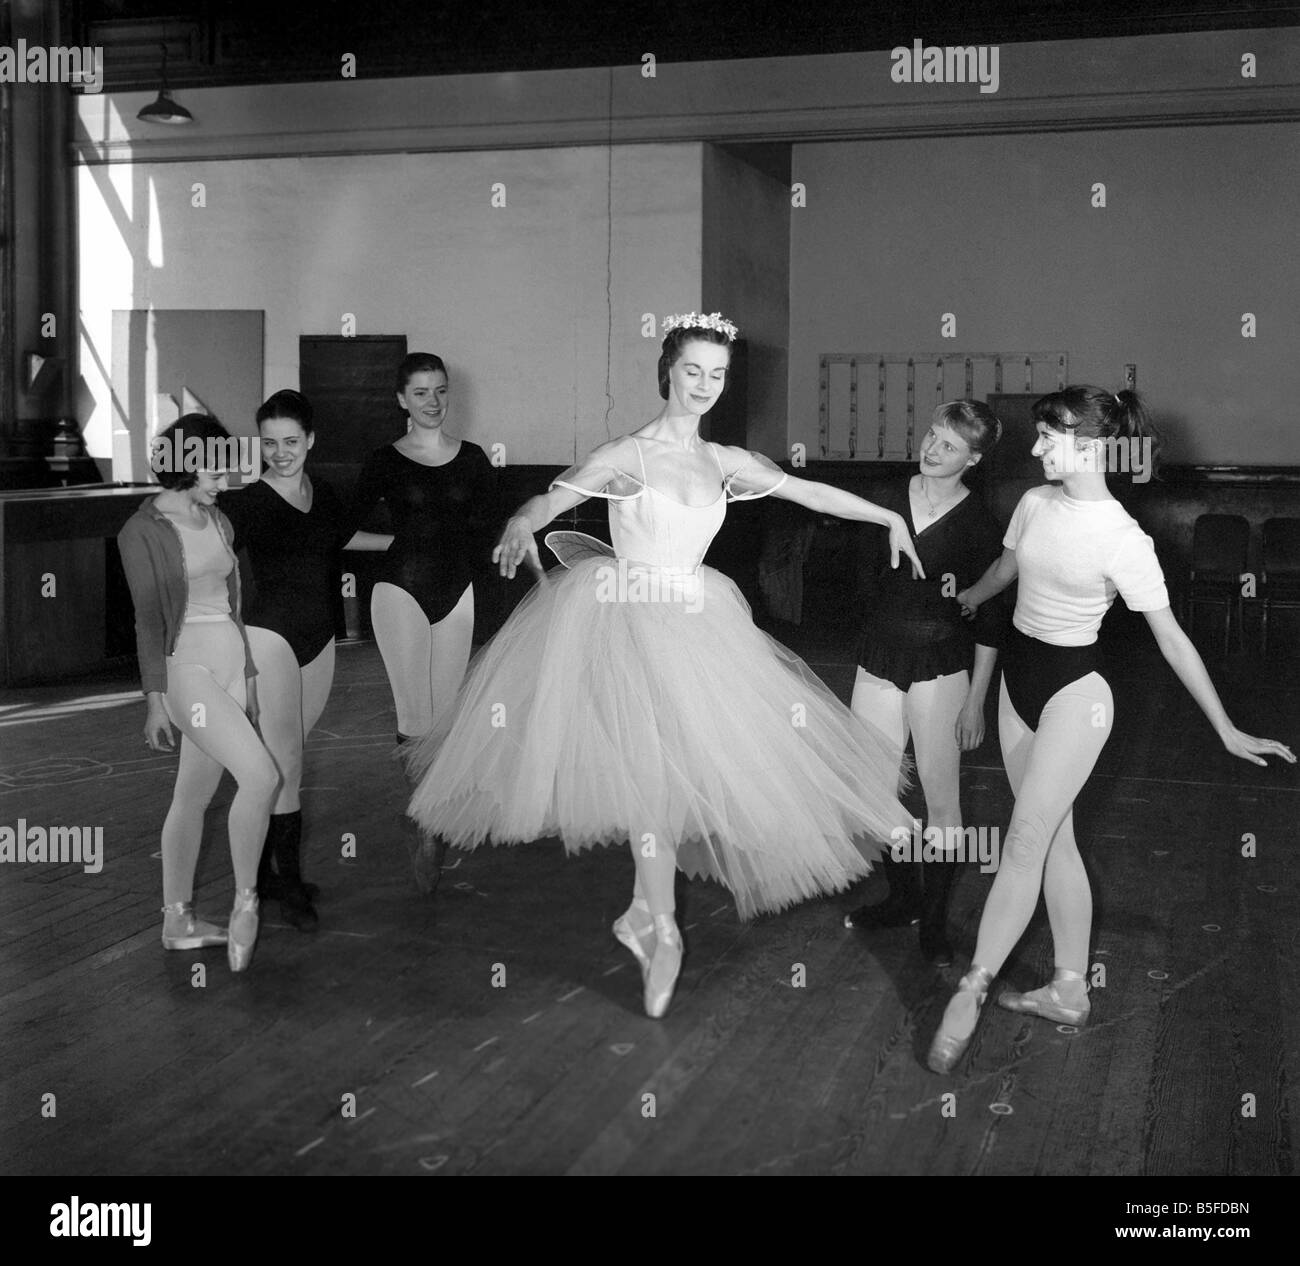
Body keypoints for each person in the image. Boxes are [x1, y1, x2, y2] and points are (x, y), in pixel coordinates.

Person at [404, 312, 926, 1019]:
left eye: (717, 375)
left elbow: (810, 492)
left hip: (699, 625)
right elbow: (557, 496)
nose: (705, 385)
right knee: (651, 776)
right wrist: (523, 520)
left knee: (673, 789)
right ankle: (662, 925)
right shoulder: (628, 454)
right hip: (624, 622)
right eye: (693, 372)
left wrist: (888, 518)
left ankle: (644, 915)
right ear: (668, 373)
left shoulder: (726, 462)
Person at [926, 387, 1295, 1073]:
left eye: (1047, 437)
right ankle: (1069, 989)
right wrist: (970, 595)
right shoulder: (1036, 504)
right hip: (1018, 686)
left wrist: (1226, 728)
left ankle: (971, 988)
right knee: (1056, 838)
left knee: (1026, 840)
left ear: (1092, 444)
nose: (1035, 450)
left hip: (1077, 695)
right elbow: (1010, 567)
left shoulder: (1125, 541)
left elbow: (1174, 642)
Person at [219, 390, 392, 931]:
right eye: (270, 443)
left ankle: (271, 874)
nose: (280, 453)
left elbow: (347, 538)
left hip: (320, 640)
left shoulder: (326, 493)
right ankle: (286, 884)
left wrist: (409, 544)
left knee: (286, 758)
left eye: (291, 442)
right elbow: (210, 553)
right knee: (287, 762)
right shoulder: (245, 503)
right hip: (269, 638)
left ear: (310, 440)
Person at [845, 401, 1006, 965]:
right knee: (875, 789)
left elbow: (990, 619)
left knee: (941, 800)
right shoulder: (887, 500)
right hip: (880, 657)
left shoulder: (983, 523)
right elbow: (865, 582)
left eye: (949, 446)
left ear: (974, 458)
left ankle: (933, 925)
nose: (932, 450)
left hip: (943, 666)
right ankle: (902, 897)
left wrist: (977, 702)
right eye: (932, 436)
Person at [117, 413, 279, 973]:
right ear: (186, 464)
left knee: (192, 796)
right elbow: (146, 623)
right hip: (185, 670)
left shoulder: (218, 520)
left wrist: (251, 675)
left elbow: (233, 604)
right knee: (262, 777)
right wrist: (155, 700)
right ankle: (246, 902)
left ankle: (178, 920)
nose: (225, 481)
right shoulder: (140, 532)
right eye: (216, 471)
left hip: (231, 665)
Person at [351, 354, 498, 745]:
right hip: (401, 590)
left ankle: (434, 807)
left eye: (440, 391)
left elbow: (491, 528)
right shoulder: (385, 460)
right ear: (402, 400)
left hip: (456, 591)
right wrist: (396, 542)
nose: (433, 402)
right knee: (415, 718)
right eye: (420, 393)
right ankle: (417, 807)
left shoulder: (474, 458)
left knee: (445, 719)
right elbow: (342, 531)